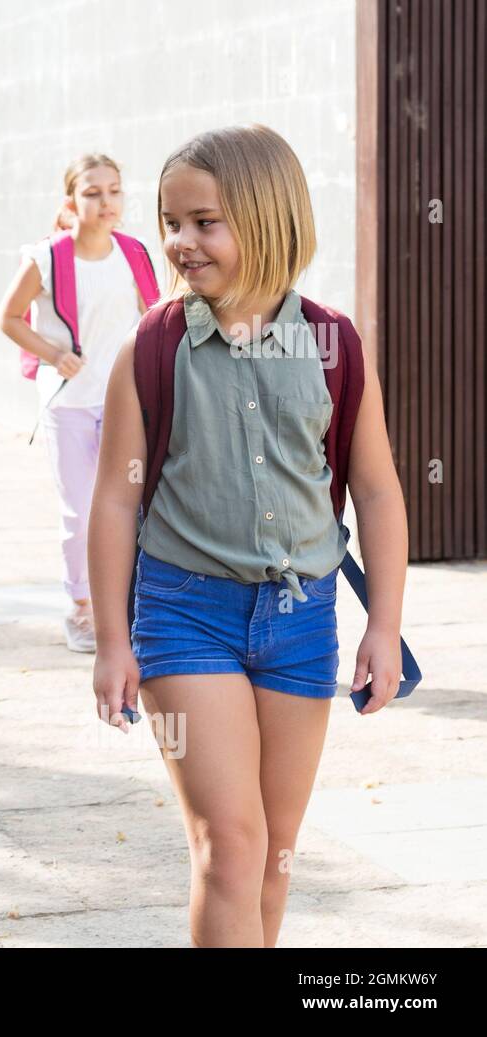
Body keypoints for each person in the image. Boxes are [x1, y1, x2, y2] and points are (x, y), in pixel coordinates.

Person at [88, 124, 409, 947]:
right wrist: (112, 641)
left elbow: (375, 489)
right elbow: (117, 502)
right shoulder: (151, 348)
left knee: (274, 855)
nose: (179, 242)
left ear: (269, 221)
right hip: (181, 615)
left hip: (301, 621)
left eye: (205, 222)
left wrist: (384, 624)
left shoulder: (334, 345)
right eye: (170, 221)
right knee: (228, 847)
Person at [0, 154, 154, 653]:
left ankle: (128, 604)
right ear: (71, 202)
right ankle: (83, 609)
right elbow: (9, 317)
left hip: (124, 401)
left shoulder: (133, 253)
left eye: (114, 190)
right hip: (69, 402)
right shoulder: (47, 257)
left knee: (131, 504)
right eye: (92, 193)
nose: (106, 202)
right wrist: (55, 353)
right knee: (80, 509)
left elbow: (152, 315)